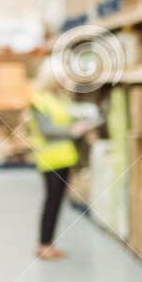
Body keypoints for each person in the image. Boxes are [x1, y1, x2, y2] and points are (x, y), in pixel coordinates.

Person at [25, 63, 87, 260]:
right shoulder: (39, 101)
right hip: (50, 159)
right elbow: (46, 130)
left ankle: (48, 243)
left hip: (65, 157)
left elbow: (67, 117)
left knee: (57, 202)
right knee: (51, 202)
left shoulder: (58, 99)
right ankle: (43, 245)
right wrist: (73, 131)